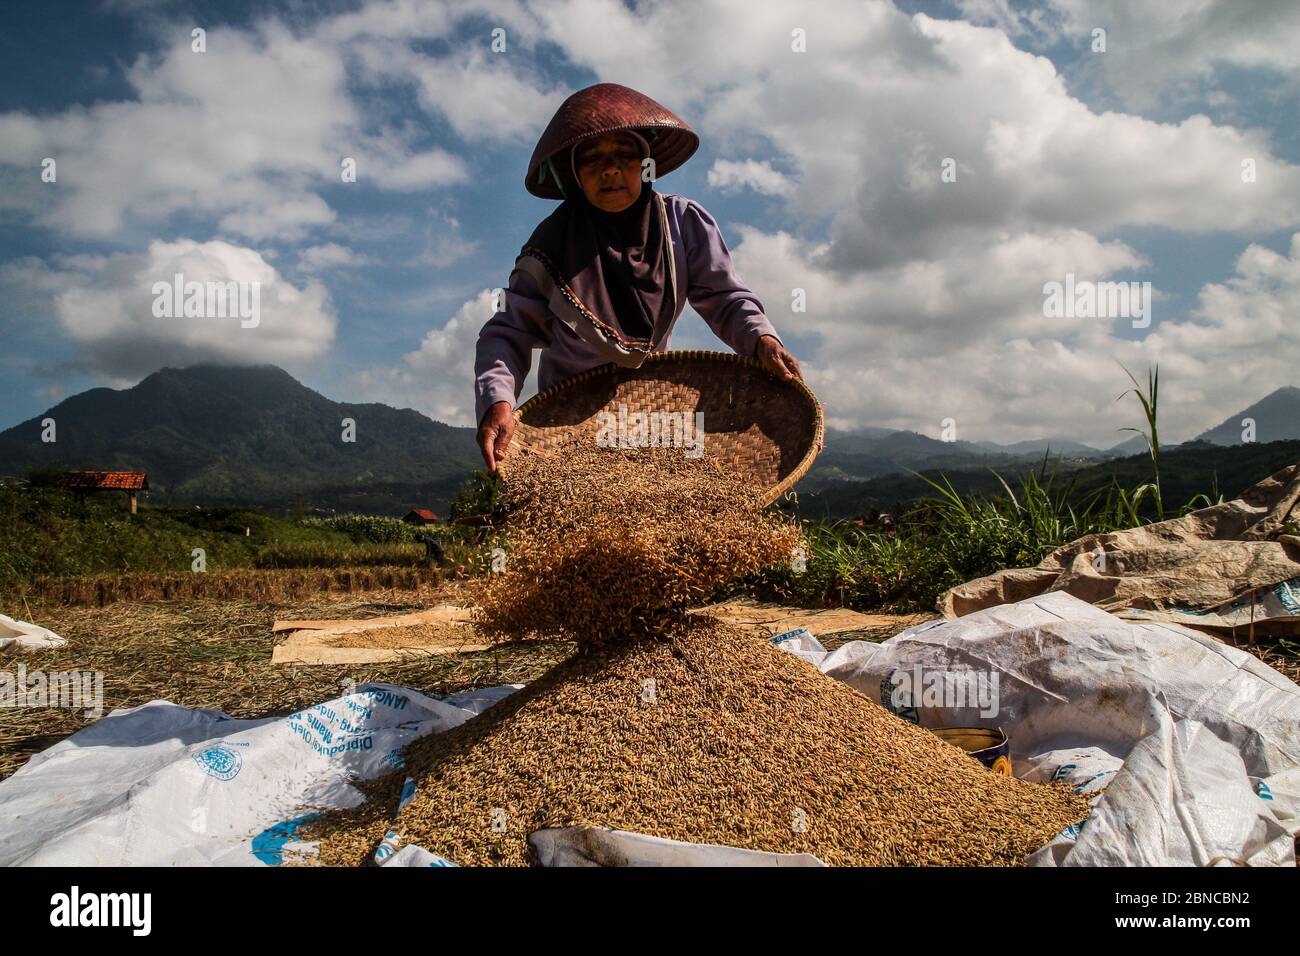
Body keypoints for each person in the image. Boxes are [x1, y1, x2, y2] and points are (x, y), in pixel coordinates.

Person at [473, 82, 804, 473]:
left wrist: (762, 340)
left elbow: (725, 297)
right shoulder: (550, 246)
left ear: (646, 165)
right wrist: (497, 401)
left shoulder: (682, 224)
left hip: (649, 406)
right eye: (592, 158)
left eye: (625, 155)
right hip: (568, 418)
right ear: (576, 175)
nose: (610, 169)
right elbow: (507, 332)